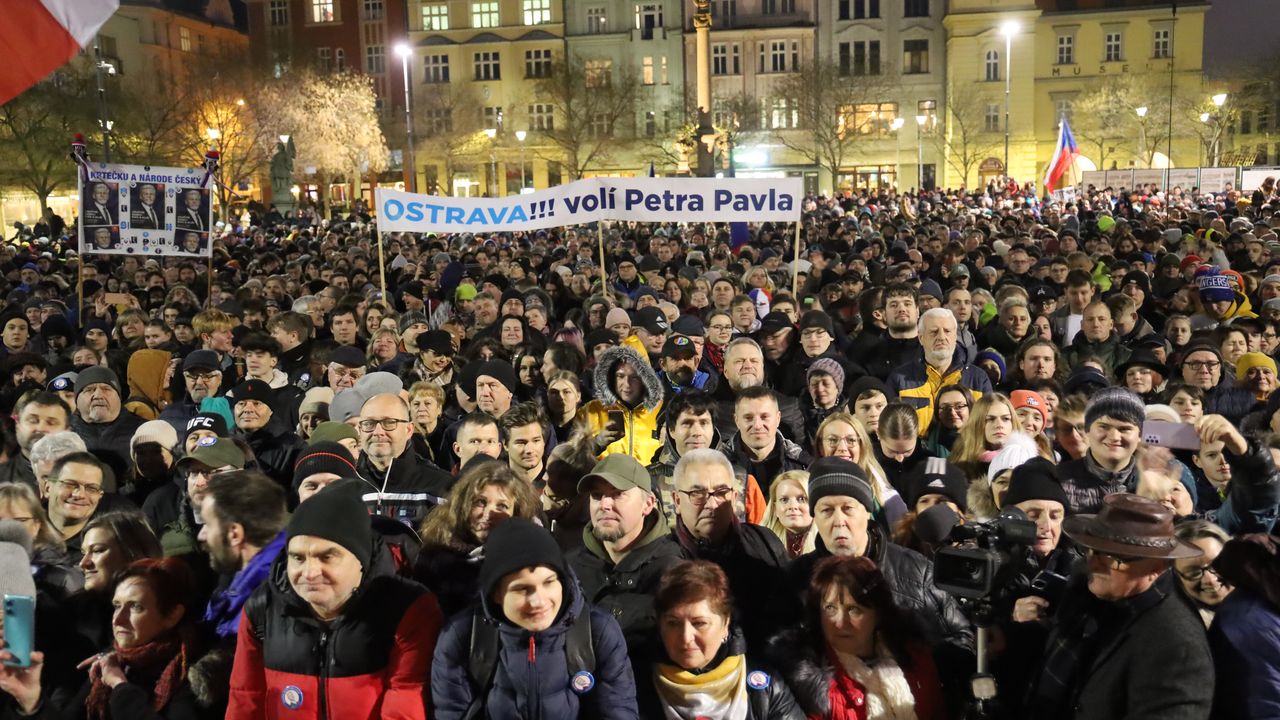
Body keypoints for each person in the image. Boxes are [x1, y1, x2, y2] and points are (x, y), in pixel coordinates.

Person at [229, 480, 443, 719]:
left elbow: (405, 703)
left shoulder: (406, 610)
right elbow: (245, 698)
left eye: (327, 557)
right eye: (298, 558)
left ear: (361, 559)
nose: (309, 572)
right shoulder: (263, 608)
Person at [1026, 493, 1213, 719]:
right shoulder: (1084, 586)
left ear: (1157, 567)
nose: (1094, 563)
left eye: (1113, 558)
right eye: (1093, 549)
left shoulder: (1178, 647)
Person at [431, 518, 639, 719]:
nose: (539, 601)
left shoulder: (597, 632)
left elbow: (618, 710)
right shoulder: (464, 636)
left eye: (549, 582)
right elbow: (452, 711)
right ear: (496, 594)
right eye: (522, 589)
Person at [0, 558, 220, 719]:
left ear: (172, 615)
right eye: (116, 606)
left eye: (136, 607)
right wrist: (31, 700)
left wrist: (119, 685)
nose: (118, 619)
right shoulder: (111, 661)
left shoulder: (193, 670)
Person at [770, 555, 946, 720]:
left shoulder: (915, 658)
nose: (840, 623)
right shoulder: (809, 686)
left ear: (878, 614)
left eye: (854, 610)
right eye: (830, 608)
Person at [639, 560, 804, 719]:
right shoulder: (635, 683)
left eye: (699, 623)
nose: (686, 637)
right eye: (673, 623)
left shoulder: (765, 688)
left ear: (725, 624)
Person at [568, 454, 686, 661]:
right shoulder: (570, 566)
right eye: (597, 495)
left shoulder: (674, 573)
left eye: (617, 494)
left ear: (648, 504)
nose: (604, 504)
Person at [669, 449, 789, 649]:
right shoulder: (662, 561)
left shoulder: (764, 543)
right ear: (677, 501)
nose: (711, 504)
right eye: (697, 494)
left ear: (734, 498)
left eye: (721, 492)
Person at [197, 471, 288, 642]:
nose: (201, 535)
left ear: (234, 534)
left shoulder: (272, 604)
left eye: (207, 524)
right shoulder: (236, 582)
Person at [355, 392, 453, 526]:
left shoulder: (441, 486)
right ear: (360, 430)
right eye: (369, 423)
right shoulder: (344, 484)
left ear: (408, 430)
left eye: (389, 423)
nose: (378, 432)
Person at [579, 345, 664, 463]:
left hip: (648, 475)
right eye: (620, 376)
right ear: (611, 377)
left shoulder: (662, 411)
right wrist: (596, 443)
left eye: (634, 377)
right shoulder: (590, 411)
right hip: (602, 475)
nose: (627, 384)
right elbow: (571, 458)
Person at [69, 366, 145, 483]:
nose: (98, 395)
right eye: (89, 390)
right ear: (76, 401)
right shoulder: (64, 433)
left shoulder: (142, 431)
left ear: (119, 397)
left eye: (106, 389)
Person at [760, 469, 816, 559]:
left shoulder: (830, 544)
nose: (792, 506)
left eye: (802, 499)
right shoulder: (760, 544)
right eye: (784, 500)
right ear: (775, 508)